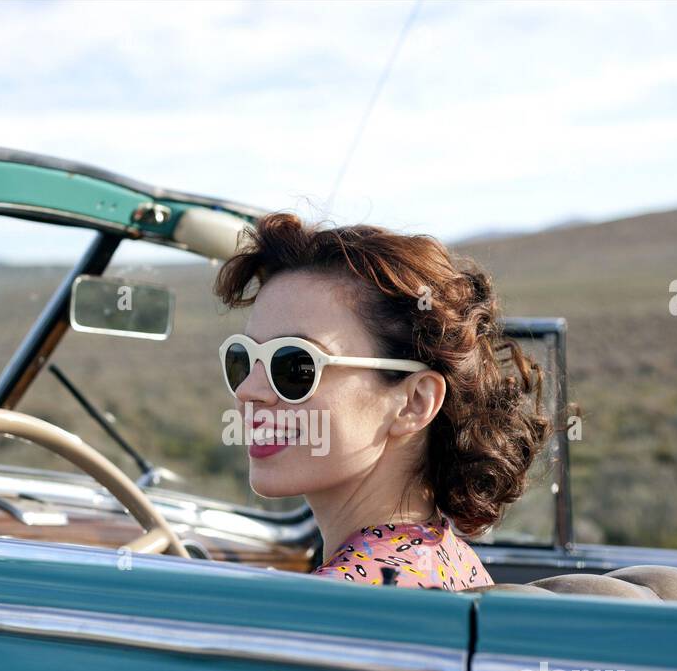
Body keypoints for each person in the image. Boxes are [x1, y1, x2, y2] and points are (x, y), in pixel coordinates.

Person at [214, 213, 549, 590]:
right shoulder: (443, 557)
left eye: (295, 366)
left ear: (415, 402)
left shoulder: (338, 602)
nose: (247, 392)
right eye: (243, 360)